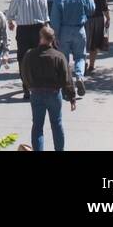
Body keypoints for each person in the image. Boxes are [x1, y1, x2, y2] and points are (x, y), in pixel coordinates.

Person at [21, 24, 76, 152]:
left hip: (37, 93)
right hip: (54, 94)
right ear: (52, 39)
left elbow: (24, 73)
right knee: (56, 124)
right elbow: (67, 78)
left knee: (37, 126)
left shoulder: (30, 54)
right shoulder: (59, 56)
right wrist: (71, 96)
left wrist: (30, 86)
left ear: (41, 37)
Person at [50, 0, 94, 97]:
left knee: (64, 59)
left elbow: (55, 20)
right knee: (80, 56)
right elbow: (90, 10)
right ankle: (79, 77)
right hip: (79, 30)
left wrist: (56, 36)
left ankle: (67, 83)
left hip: (64, 31)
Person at [7, 0, 50, 94]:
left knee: (23, 58)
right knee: (39, 57)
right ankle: (37, 83)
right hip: (39, 29)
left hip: (24, 30)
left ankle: (26, 85)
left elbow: (11, 13)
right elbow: (46, 16)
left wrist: (11, 21)